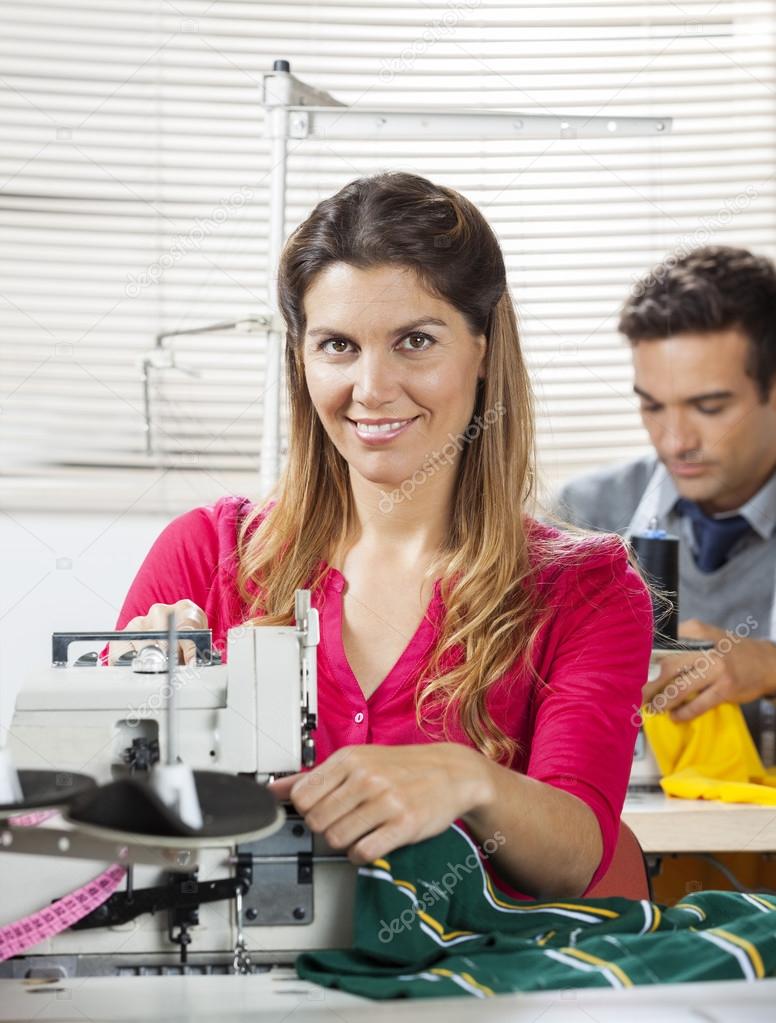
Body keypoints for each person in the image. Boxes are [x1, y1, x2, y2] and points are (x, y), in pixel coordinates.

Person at [113, 172, 651, 899]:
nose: (371, 388)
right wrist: (138, 703)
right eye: (337, 345)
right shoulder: (204, 555)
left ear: (484, 348)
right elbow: (105, 824)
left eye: (415, 341)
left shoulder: (586, 588)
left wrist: (467, 780)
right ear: (301, 360)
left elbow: (577, 854)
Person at [556, 246, 776, 759]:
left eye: (709, 406)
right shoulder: (579, 517)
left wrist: (768, 667)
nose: (675, 441)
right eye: (652, 406)